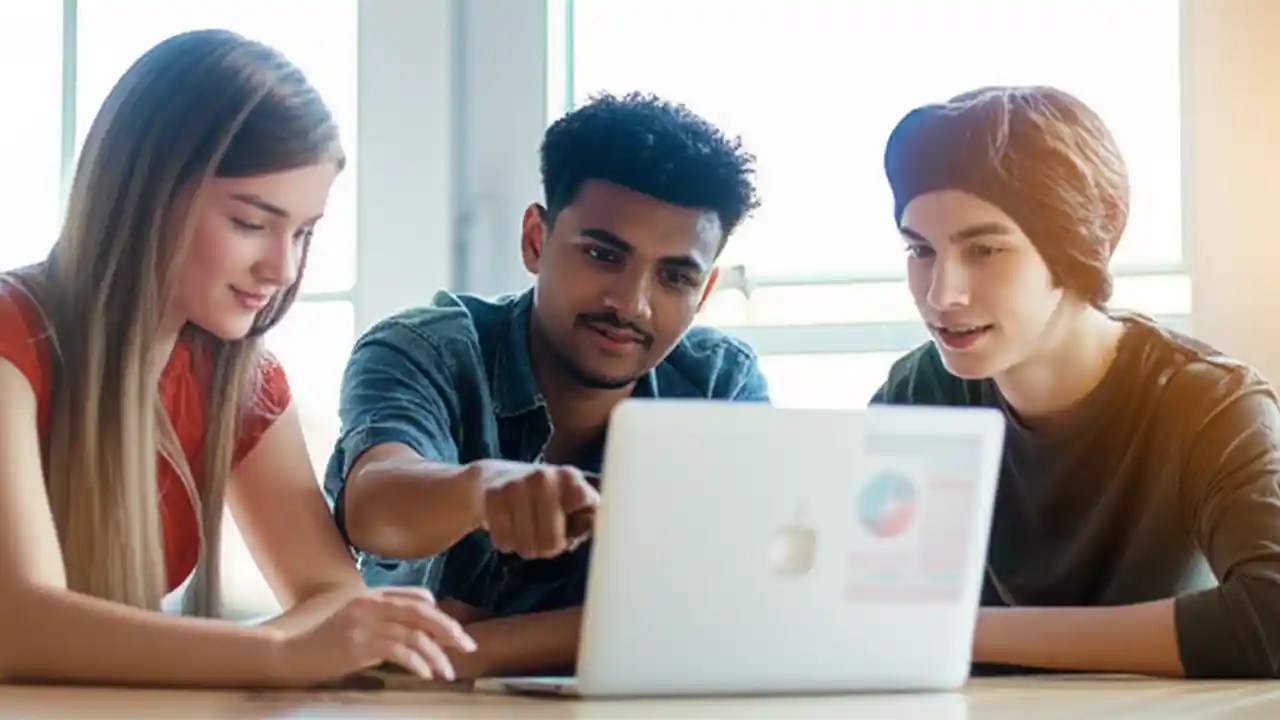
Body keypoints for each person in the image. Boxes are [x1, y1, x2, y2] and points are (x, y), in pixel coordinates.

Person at [0, 29, 474, 688]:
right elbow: (20, 627)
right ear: (150, 192)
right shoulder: (11, 340)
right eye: (252, 223)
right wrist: (279, 656)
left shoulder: (236, 374)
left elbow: (333, 591)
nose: (281, 267)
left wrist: (290, 650)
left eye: (302, 232)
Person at [323, 91, 768, 678]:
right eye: (602, 255)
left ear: (703, 292)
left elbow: (724, 607)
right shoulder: (426, 349)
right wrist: (483, 489)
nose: (631, 304)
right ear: (536, 240)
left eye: (674, 277)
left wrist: (460, 652)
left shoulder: (719, 383)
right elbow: (376, 504)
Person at [872, 85, 1280, 679]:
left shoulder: (1209, 402)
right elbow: (865, 609)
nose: (942, 294)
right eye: (920, 251)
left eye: (984, 250)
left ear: (1073, 252)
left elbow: (1271, 620)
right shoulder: (919, 393)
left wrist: (964, 630)